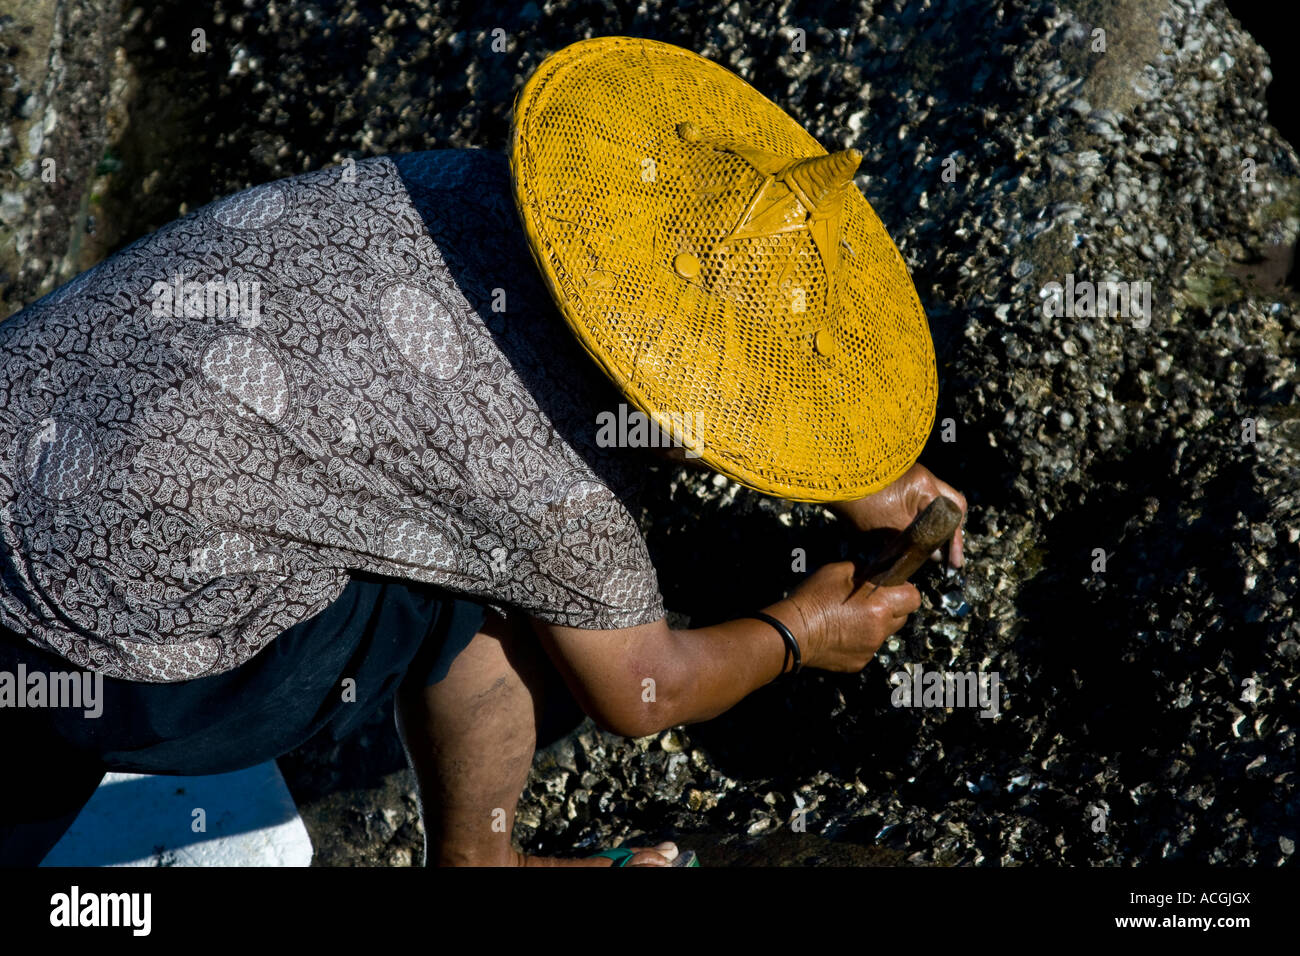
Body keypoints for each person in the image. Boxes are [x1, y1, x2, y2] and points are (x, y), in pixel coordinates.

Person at [0, 37, 965, 867]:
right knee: (478, 591)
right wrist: (802, 632)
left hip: (28, 419)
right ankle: (480, 859)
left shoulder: (461, 185)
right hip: (108, 633)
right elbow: (642, 688)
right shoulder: (561, 482)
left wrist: (865, 467)